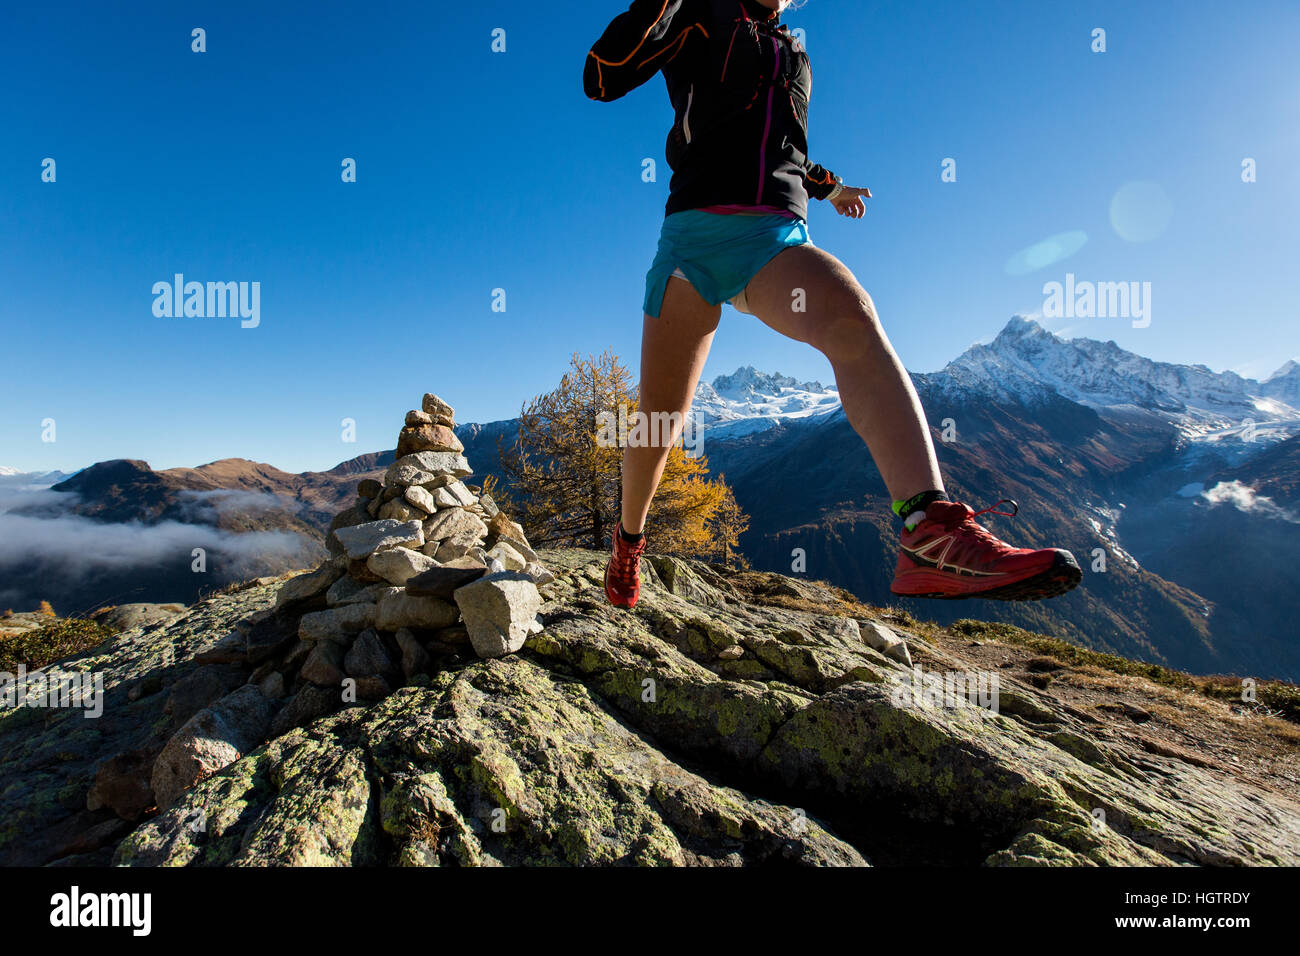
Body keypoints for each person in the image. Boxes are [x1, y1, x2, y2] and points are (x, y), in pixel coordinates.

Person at [584, 0, 1081, 608]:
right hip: (691, 241)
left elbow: (783, 145)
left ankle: (928, 530)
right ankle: (628, 543)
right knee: (660, 420)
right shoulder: (697, 14)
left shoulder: (794, 50)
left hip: (773, 240)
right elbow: (601, 79)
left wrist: (832, 187)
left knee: (854, 318)